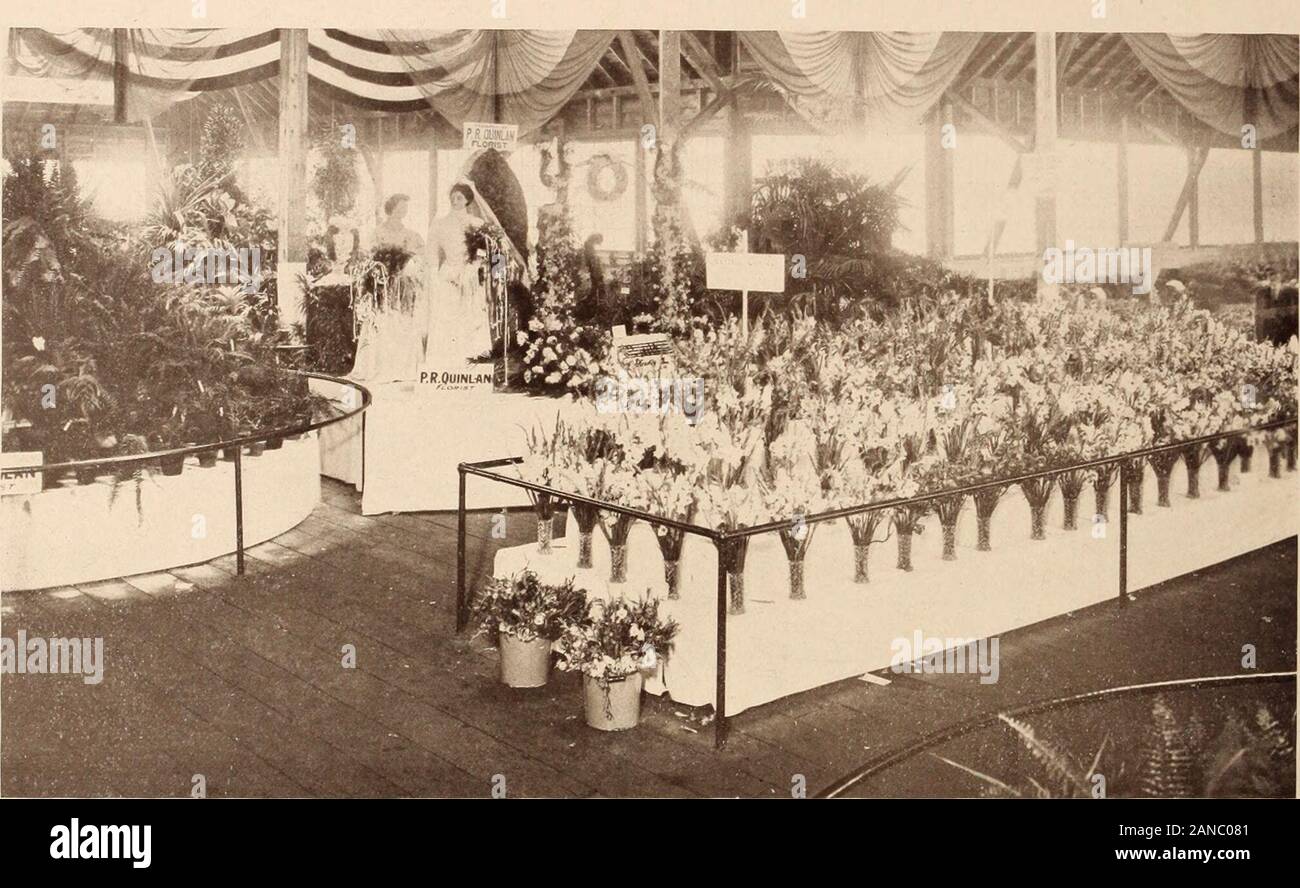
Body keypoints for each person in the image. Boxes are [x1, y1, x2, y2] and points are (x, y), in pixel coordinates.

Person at [350, 194, 426, 383]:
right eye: (400, 207)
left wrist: (410, 266)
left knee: (402, 321)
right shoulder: (378, 233)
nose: (403, 211)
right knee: (383, 321)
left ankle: (403, 368)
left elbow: (420, 257)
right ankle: (380, 367)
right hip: (383, 284)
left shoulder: (411, 235)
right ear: (391, 207)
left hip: (402, 285)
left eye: (405, 208)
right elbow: (369, 258)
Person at [425, 182, 491, 362]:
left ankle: (469, 359)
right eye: (452, 197)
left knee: (468, 314)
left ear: (468, 200)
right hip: (447, 275)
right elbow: (432, 253)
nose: (455, 201)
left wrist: (472, 268)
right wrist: (434, 277)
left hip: (469, 274)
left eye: (459, 197)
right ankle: (446, 359)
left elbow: (483, 251)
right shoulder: (439, 224)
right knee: (447, 315)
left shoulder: (477, 223)